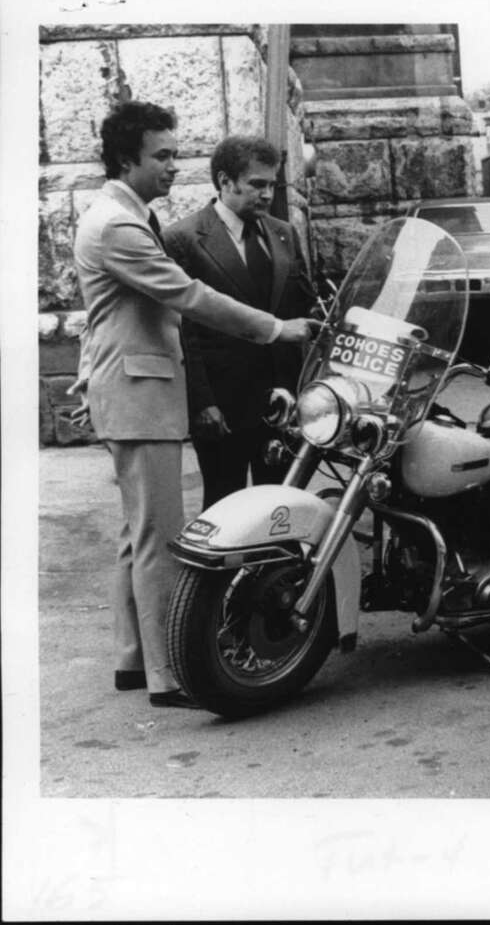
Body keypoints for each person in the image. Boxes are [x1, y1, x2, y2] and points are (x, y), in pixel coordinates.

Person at [70, 101, 318, 709]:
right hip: (142, 391)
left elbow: (101, 320)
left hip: (127, 389)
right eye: (162, 155)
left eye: (175, 154)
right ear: (127, 159)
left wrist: (86, 383)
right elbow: (188, 296)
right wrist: (275, 330)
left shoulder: (120, 215)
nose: (174, 167)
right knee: (159, 537)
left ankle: (134, 659)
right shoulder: (119, 226)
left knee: (136, 534)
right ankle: (168, 674)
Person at [162, 136, 317, 509]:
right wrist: (202, 403)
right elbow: (182, 330)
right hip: (224, 405)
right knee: (223, 507)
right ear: (224, 181)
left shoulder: (284, 233)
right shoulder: (183, 239)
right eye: (256, 185)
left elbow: (304, 305)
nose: (266, 195)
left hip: (284, 402)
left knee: (281, 506)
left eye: (271, 185)